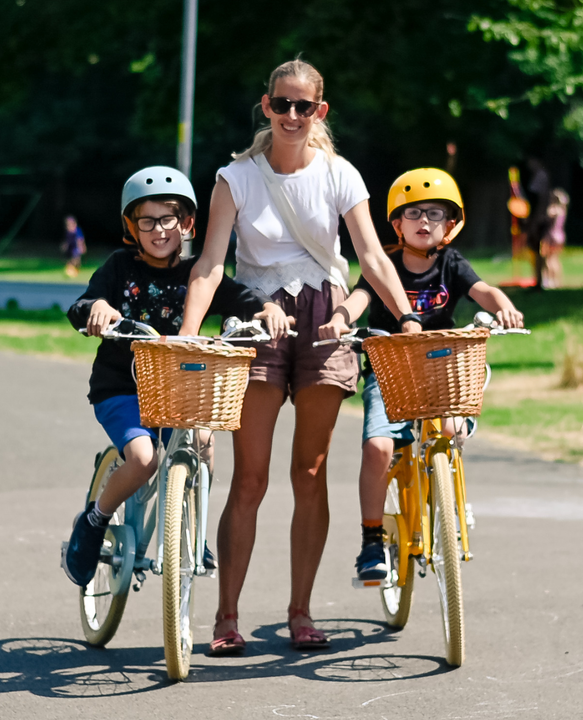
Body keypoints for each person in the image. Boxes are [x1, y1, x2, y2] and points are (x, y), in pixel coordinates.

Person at [178, 58, 421, 655]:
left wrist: (408, 315)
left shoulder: (340, 174)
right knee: (251, 477)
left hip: (323, 322)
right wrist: (188, 332)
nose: (291, 115)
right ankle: (227, 618)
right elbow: (211, 263)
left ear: (320, 111)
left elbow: (372, 256)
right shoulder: (236, 178)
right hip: (260, 321)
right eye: (281, 104)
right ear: (266, 106)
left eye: (303, 106)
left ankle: (300, 613)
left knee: (309, 476)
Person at [61, 167, 286, 588]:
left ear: (187, 224)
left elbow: (243, 296)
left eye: (169, 219)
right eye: (147, 221)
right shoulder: (119, 267)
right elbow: (83, 304)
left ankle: (192, 527)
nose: (159, 230)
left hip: (179, 390)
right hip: (122, 389)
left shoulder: (197, 274)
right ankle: (94, 520)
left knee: (204, 441)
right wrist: (97, 310)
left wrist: (267, 308)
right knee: (144, 459)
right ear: (132, 226)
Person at [317, 168, 524, 580]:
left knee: (450, 429)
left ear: (450, 223)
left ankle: (447, 504)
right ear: (396, 223)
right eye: (413, 214)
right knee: (378, 447)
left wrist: (503, 304)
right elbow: (359, 297)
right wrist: (340, 318)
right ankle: (372, 539)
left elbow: (484, 290)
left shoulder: (451, 263)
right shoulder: (385, 264)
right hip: (389, 373)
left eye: (435, 213)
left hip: (440, 372)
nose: (424, 222)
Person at [524, 156, 550, 289]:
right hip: (536, 218)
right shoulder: (538, 176)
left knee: (539, 251)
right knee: (534, 251)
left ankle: (540, 281)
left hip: (538, 220)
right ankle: (537, 279)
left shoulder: (541, 176)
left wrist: (535, 220)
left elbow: (540, 200)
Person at [542, 189, 569, 288]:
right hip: (560, 236)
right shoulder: (563, 210)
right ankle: (557, 280)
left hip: (551, 236)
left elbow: (546, 215)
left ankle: (549, 280)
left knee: (548, 259)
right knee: (555, 259)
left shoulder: (554, 209)